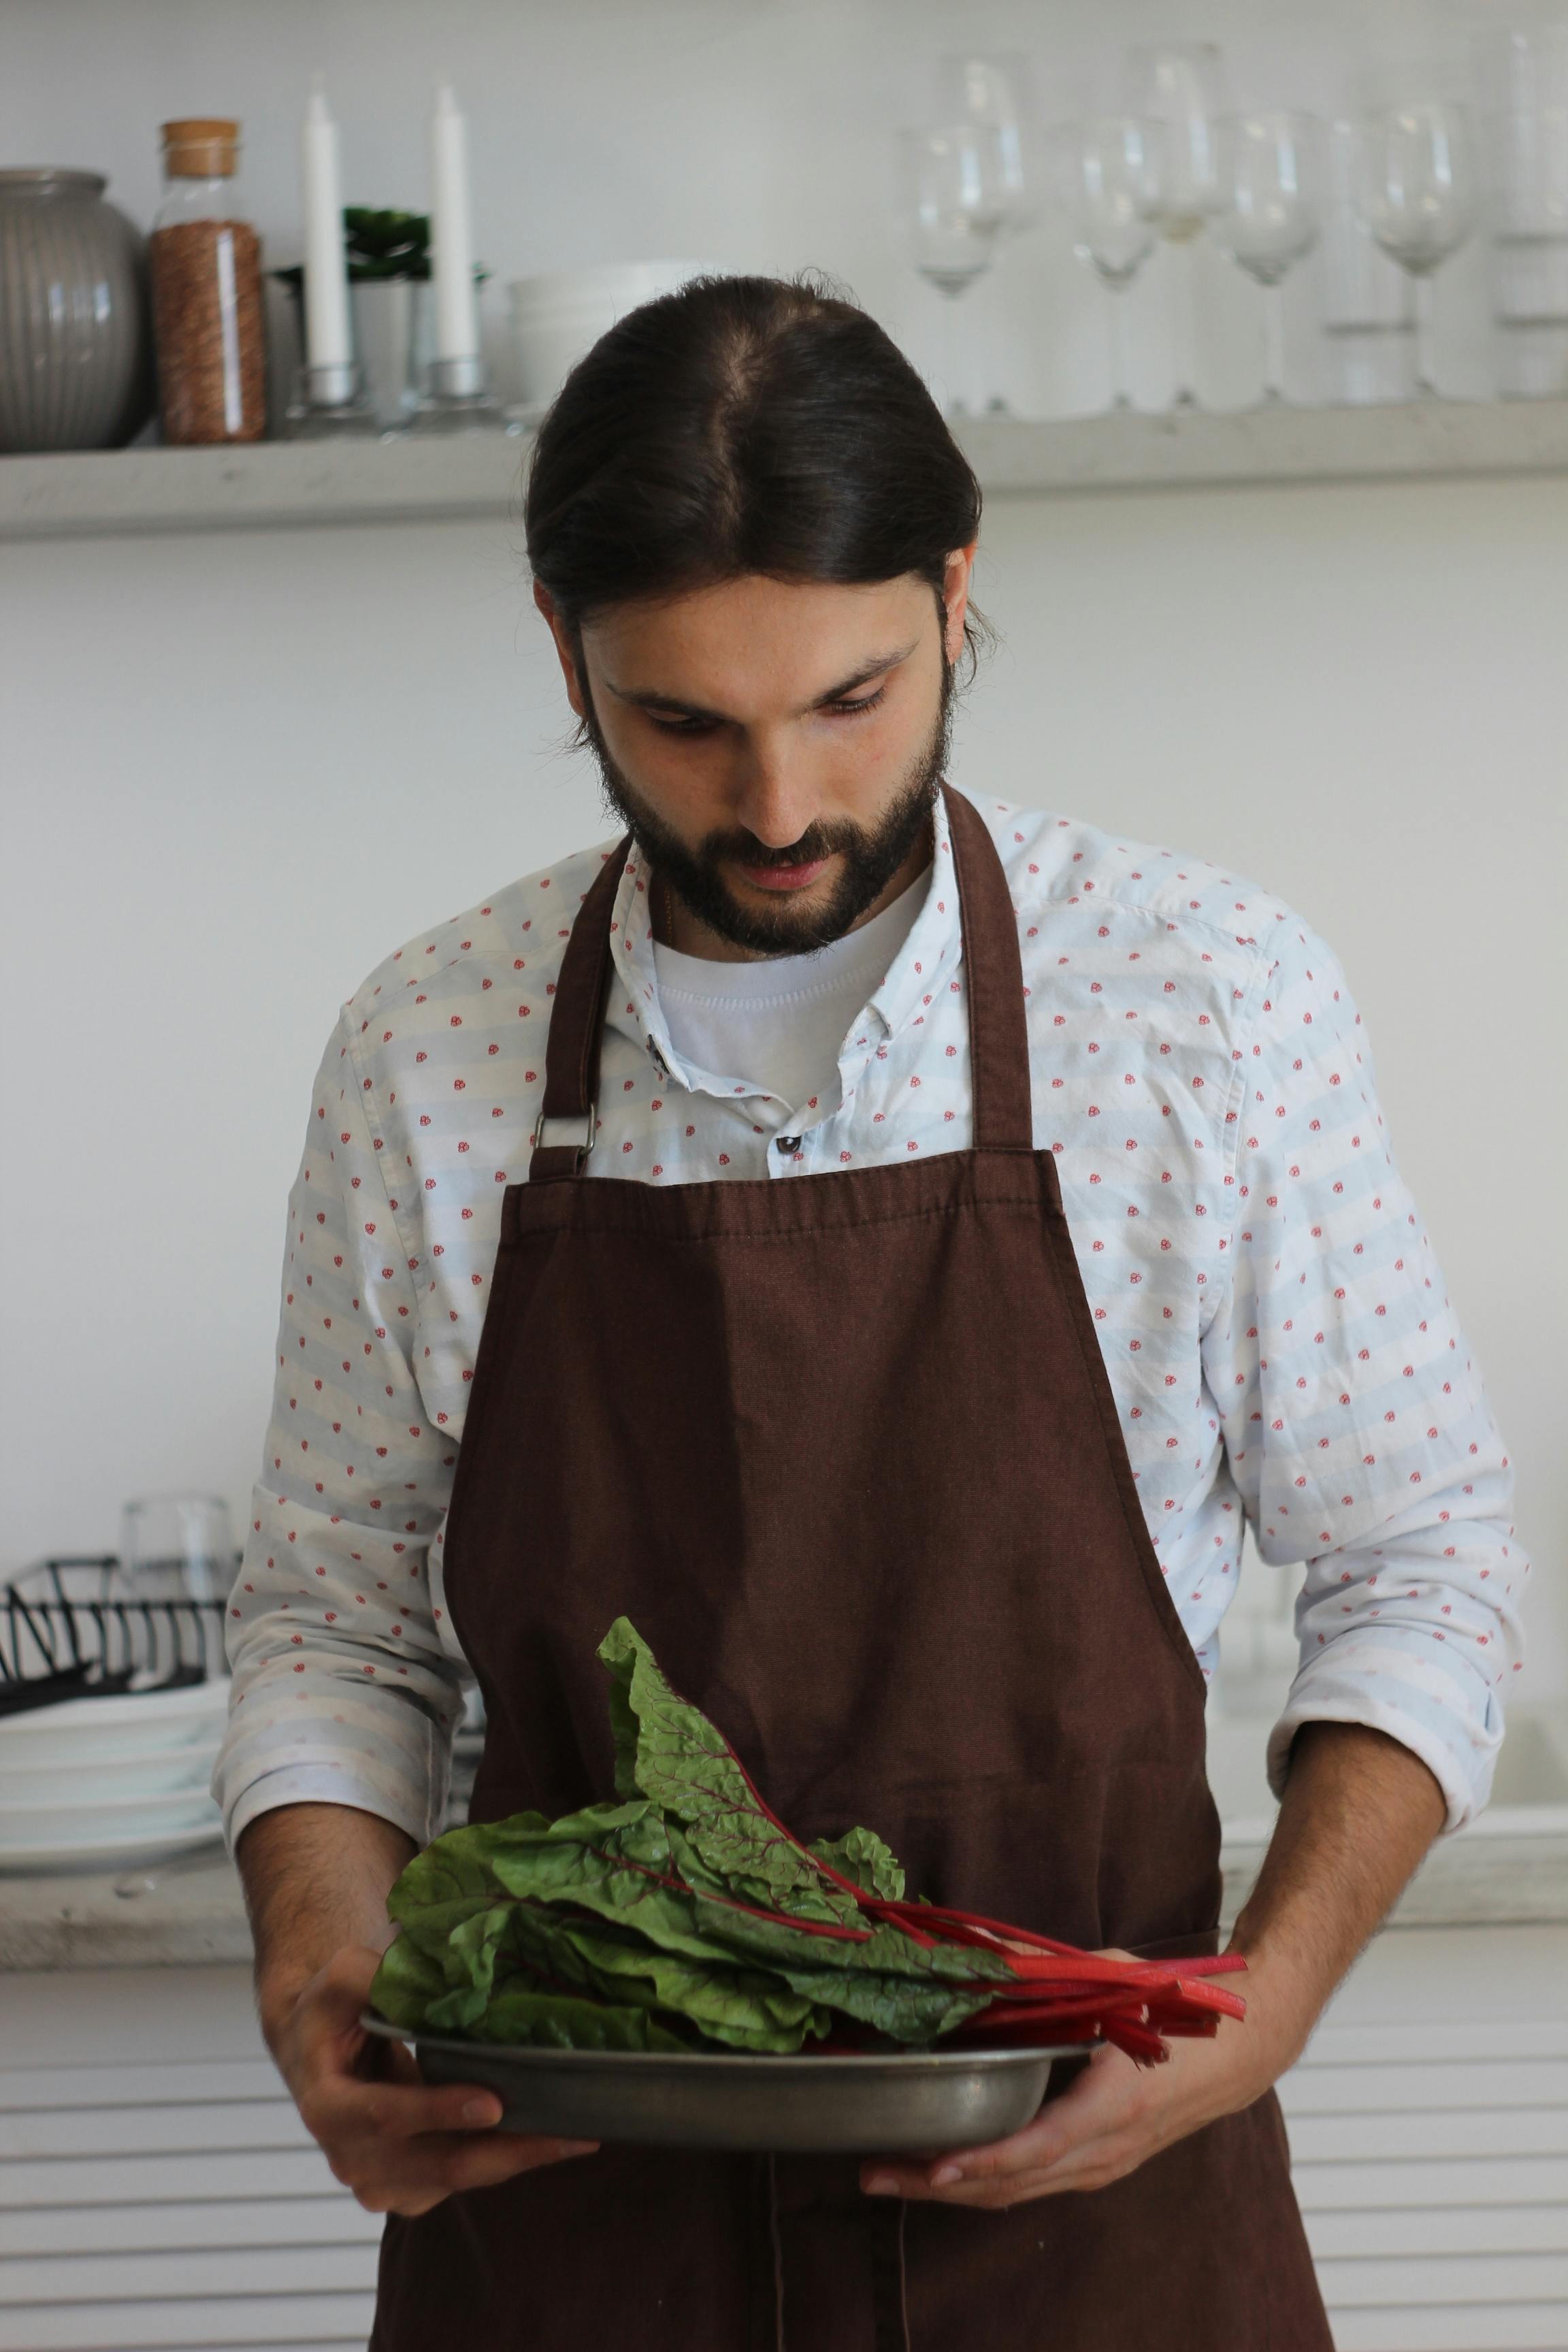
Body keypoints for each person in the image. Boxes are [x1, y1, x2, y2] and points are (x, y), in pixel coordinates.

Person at [216, 272, 1528, 2349]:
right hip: (572, 2236)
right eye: (684, 722)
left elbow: (1425, 1566)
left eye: (854, 699)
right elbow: (334, 1618)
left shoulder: (1205, 1001)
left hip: (1097, 2224)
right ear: (561, 646)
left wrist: (1264, 2010)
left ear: (956, 590)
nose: (780, 808)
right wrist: (317, 1967)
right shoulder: (430, 1054)